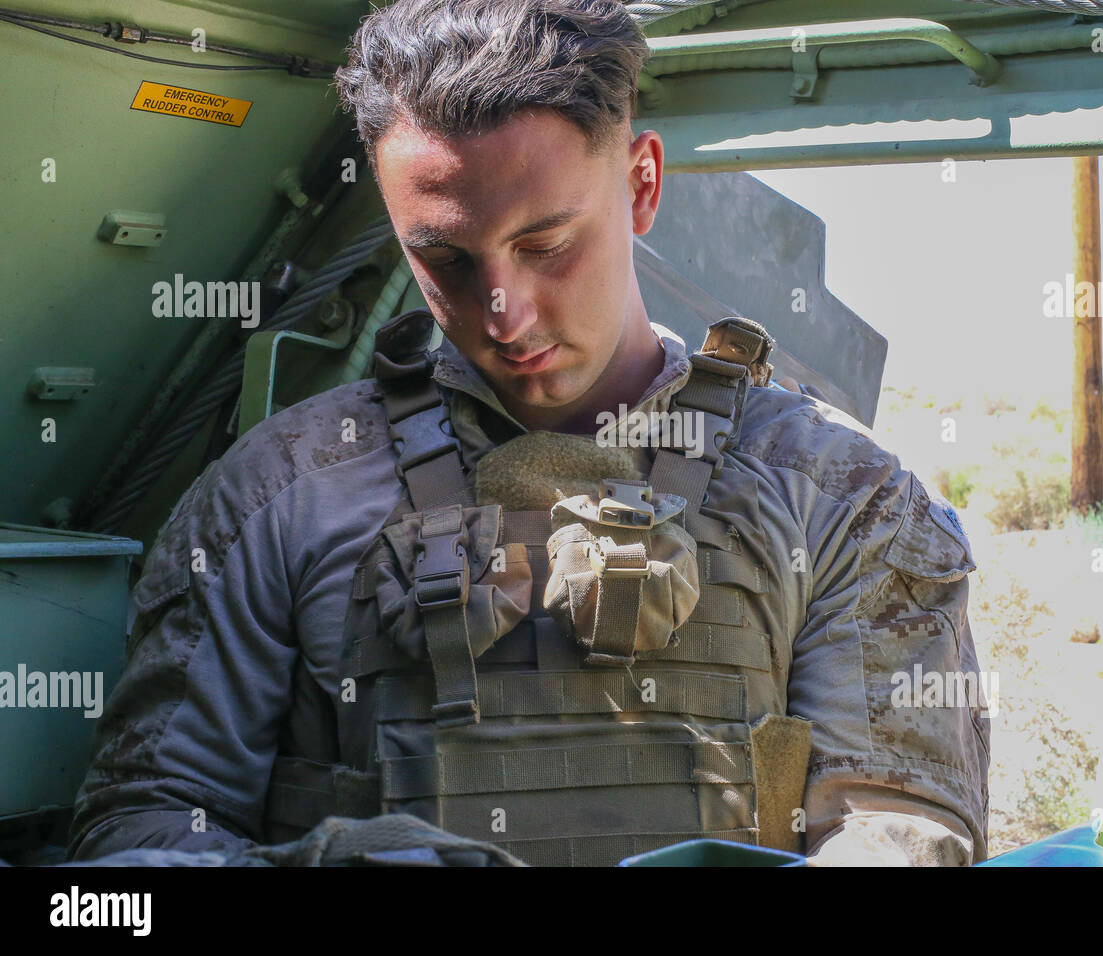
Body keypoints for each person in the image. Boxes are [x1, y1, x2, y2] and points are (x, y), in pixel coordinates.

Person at [69, 0, 990, 866]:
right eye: (443, 258)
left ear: (641, 186)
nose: (503, 312)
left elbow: (898, 824)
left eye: (546, 245)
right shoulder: (277, 496)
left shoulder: (838, 496)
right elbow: (146, 828)